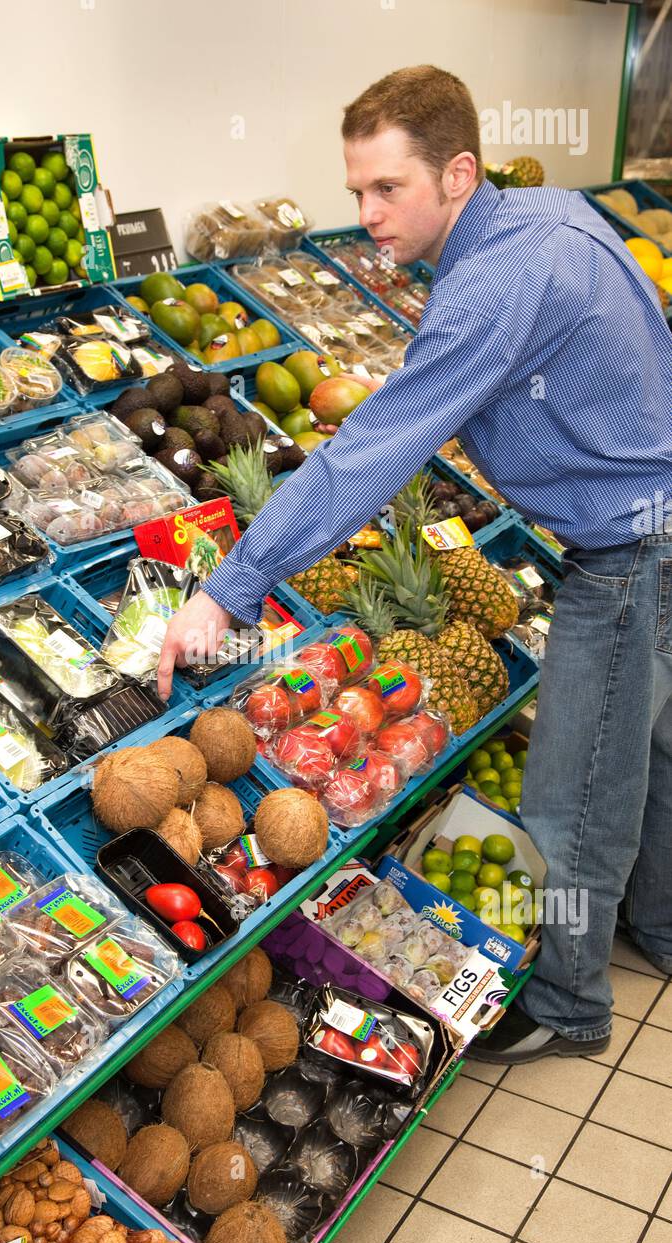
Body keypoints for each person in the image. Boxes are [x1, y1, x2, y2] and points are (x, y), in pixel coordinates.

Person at [157, 65, 672, 1066]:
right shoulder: (549, 213)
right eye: (354, 190)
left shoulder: (491, 285)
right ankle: (658, 927)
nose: (364, 214)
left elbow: (366, 453)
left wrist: (229, 589)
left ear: (457, 173)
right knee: (650, 754)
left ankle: (566, 1002)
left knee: (572, 791)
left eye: (385, 189)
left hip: (628, 552)